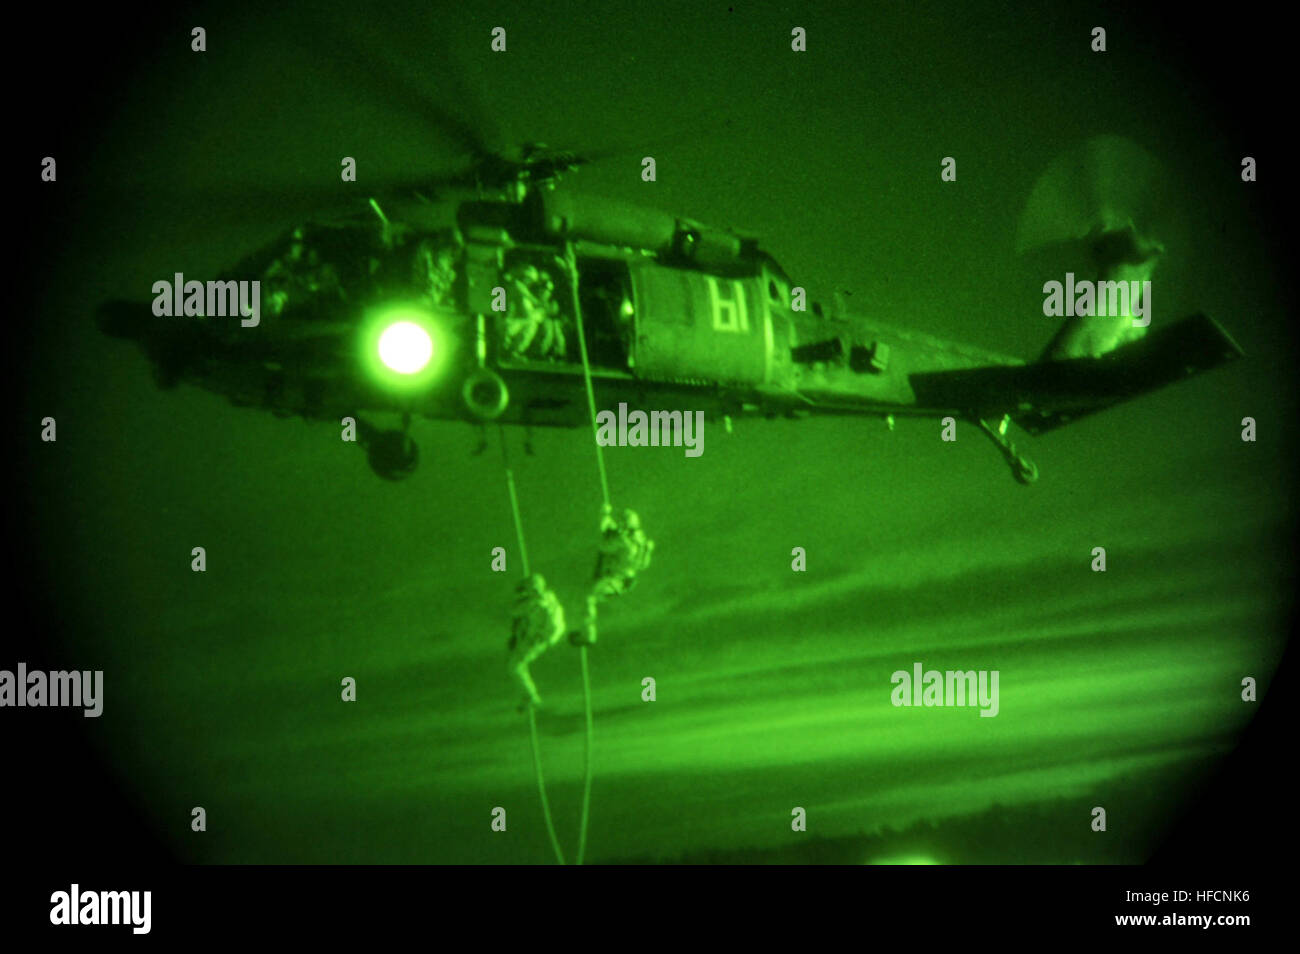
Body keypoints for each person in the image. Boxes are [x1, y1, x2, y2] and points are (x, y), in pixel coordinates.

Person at [571, 506, 654, 646]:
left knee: (587, 596)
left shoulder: (624, 539)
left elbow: (603, 545)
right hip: (625, 579)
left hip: (615, 578)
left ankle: (588, 634)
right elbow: (643, 565)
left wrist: (603, 516)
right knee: (590, 595)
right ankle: (587, 631)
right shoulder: (643, 542)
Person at [507, 573, 567, 709]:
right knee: (516, 659)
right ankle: (529, 696)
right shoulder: (549, 597)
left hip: (537, 639)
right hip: (539, 635)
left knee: (515, 666)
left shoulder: (535, 603)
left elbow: (514, 611)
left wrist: (520, 598)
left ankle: (531, 697)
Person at [502, 263, 567, 360]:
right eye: (529, 280)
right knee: (532, 324)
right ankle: (515, 351)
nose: (530, 282)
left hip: (516, 324)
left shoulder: (524, 292)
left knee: (551, 325)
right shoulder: (517, 286)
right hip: (509, 324)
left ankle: (555, 353)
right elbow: (528, 311)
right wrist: (542, 310)